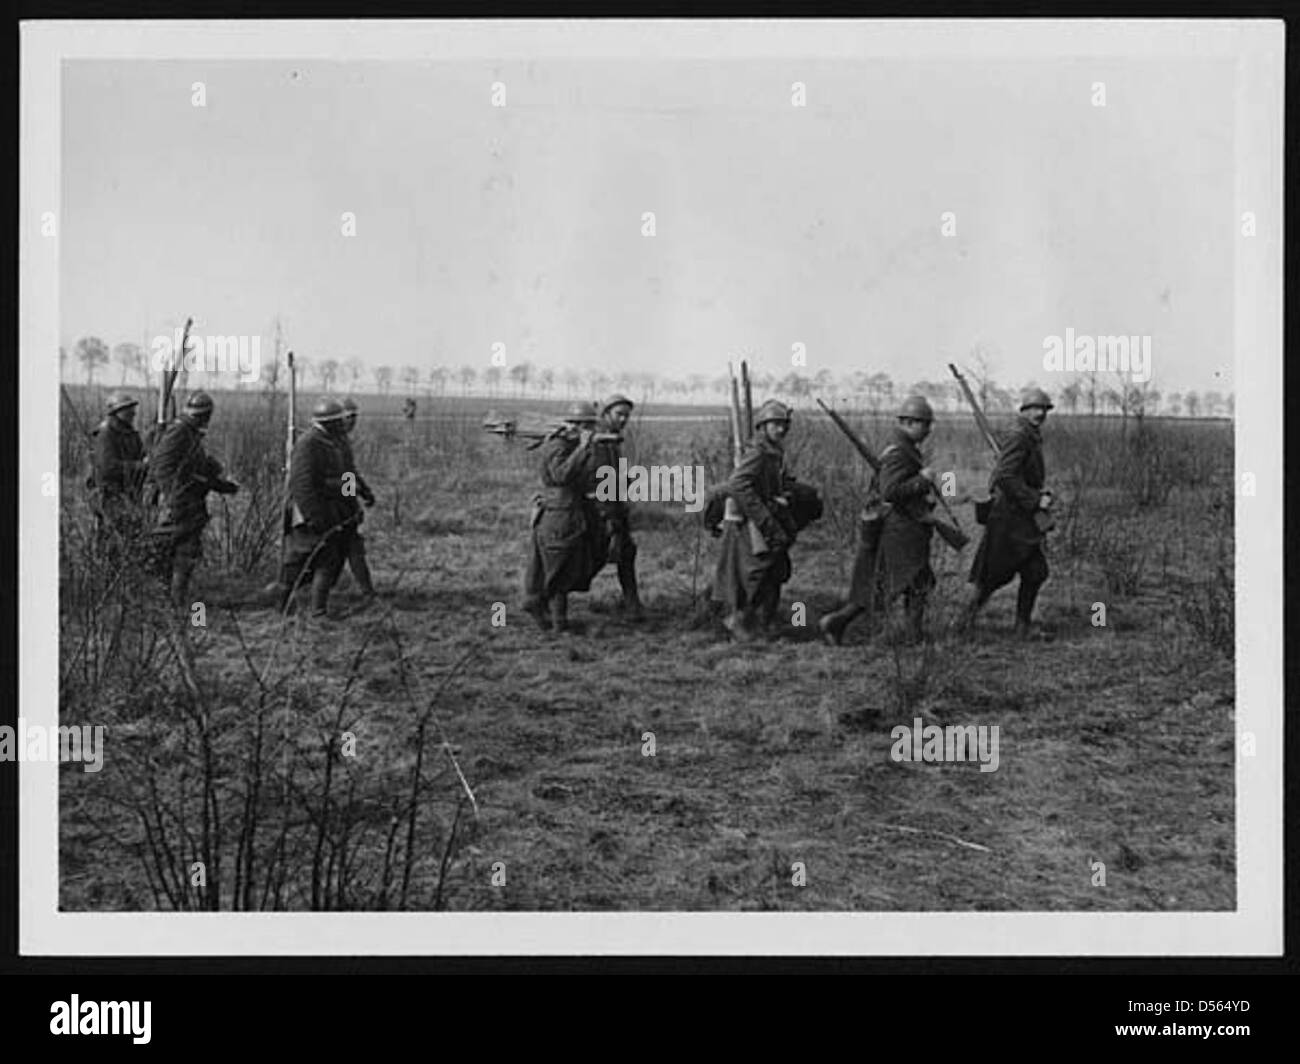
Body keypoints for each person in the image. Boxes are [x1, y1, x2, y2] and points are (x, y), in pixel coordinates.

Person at [819, 396, 940, 646]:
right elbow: (890, 491)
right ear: (907, 423)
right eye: (924, 424)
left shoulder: (905, 448)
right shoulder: (898, 452)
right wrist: (923, 481)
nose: (928, 430)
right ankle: (909, 637)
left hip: (904, 526)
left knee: (911, 582)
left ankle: (842, 623)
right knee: (911, 581)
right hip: (901, 528)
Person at [962, 386, 1054, 638]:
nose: (1040, 413)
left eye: (1044, 409)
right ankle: (963, 622)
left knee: (1036, 571)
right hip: (1009, 518)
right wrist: (1035, 499)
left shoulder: (1030, 435)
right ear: (1023, 411)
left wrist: (1038, 495)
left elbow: (1016, 474)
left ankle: (1021, 627)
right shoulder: (1019, 436)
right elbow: (1004, 476)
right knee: (994, 575)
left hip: (1021, 517)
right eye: (1034, 408)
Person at [711, 399, 803, 642]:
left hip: (765, 518)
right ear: (763, 426)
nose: (781, 430)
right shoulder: (758, 453)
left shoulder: (773, 452)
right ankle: (737, 622)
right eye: (775, 424)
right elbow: (738, 484)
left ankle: (761, 623)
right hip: (750, 523)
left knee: (771, 571)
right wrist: (763, 516)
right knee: (749, 574)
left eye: (784, 425)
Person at [146, 391, 239, 608]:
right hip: (182, 504)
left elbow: (194, 468)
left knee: (186, 555)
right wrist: (175, 498)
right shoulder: (180, 430)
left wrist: (222, 485)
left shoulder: (190, 431)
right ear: (205, 415)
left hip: (191, 503)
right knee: (165, 550)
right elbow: (163, 467)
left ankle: (177, 605)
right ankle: (162, 601)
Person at [522, 402, 606, 633]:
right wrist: (582, 448)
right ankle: (557, 623)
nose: (590, 430)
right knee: (559, 567)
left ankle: (547, 613)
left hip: (568, 510)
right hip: (560, 515)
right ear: (575, 425)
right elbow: (561, 475)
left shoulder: (570, 444)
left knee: (564, 565)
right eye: (587, 425)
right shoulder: (559, 445)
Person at [278, 399, 359, 619]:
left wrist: (353, 504)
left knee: (328, 561)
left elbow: (348, 476)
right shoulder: (309, 444)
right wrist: (316, 518)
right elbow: (303, 486)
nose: (345, 424)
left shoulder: (335, 442)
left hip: (332, 511)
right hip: (309, 516)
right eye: (340, 421)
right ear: (329, 422)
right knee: (298, 564)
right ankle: (283, 605)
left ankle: (318, 612)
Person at [593, 393, 643, 619]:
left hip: (612, 505)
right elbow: (600, 479)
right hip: (599, 508)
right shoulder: (599, 441)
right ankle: (549, 603)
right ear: (605, 414)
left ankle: (632, 604)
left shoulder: (613, 440)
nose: (623, 419)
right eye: (619, 414)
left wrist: (627, 480)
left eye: (626, 416)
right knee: (592, 557)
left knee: (625, 553)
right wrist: (610, 515)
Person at [89, 391, 147, 554]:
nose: (133, 412)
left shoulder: (131, 434)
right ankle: (107, 574)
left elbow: (142, 455)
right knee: (114, 539)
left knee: (130, 536)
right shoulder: (106, 434)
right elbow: (108, 468)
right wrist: (140, 466)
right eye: (128, 409)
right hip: (109, 495)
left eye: (132, 408)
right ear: (116, 412)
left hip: (128, 493)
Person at [339, 397, 378, 602]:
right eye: (348, 417)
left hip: (340, 503)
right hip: (329, 506)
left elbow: (350, 472)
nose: (353, 421)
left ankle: (366, 591)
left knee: (350, 547)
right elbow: (344, 476)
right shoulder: (333, 441)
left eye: (355, 416)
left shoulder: (343, 441)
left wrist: (364, 492)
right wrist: (350, 502)